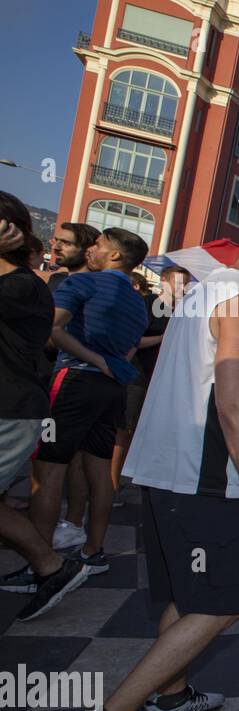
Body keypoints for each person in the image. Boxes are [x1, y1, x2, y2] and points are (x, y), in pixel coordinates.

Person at [45, 213, 239, 711]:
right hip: (205, 479)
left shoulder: (203, 290)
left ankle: (170, 696)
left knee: (183, 594)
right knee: (223, 602)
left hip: (165, 472)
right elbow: (234, 400)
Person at [17, 229, 149, 593]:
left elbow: (53, 329)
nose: (92, 249)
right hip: (111, 391)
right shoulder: (138, 302)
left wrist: (90, 358)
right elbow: (130, 349)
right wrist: (108, 365)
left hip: (74, 380)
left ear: (116, 256)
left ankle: (41, 566)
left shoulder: (83, 284)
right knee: (99, 469)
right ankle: (94, 551)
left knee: (47, 469)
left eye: (99, 245)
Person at [0, 196, 89, 620]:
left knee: (52, 473)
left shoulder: (22, 285)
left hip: (13, 406)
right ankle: (50, 566)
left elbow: (58, 335)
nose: (58, 245)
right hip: (19, 403)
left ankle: (53, 565)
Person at [44, 222, 101, 553]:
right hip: (56, 375)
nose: (57, 246)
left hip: (68, 376)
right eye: (56, 240)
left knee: (56, 461)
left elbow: (51, 331)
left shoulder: (89, 286)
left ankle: (53, 537)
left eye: (66, 243)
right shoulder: (57, 279)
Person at [112, 266, 186, 491]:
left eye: (186, 283)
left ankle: (126, 477)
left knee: (139, 431)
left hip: (159, 380)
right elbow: (133, 341)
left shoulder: (181, 312)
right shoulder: (147, 305)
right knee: (122, 431)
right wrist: (164, 337)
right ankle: (111, 485)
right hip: (136, 376)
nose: (183, 288)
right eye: (179, 282)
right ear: (164, 281)